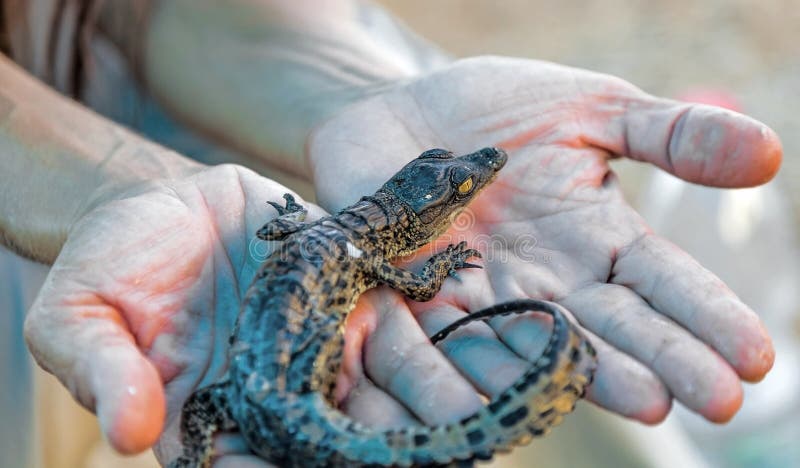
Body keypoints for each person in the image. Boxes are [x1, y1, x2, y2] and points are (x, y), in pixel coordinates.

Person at [0, 1, 781, 466]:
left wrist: (359, 87)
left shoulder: (349, 240)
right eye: (462, 185)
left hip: (272, 361)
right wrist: (102, 183)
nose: (476, 172)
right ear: (422, 213)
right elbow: (401, 276)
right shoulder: (366, 248)